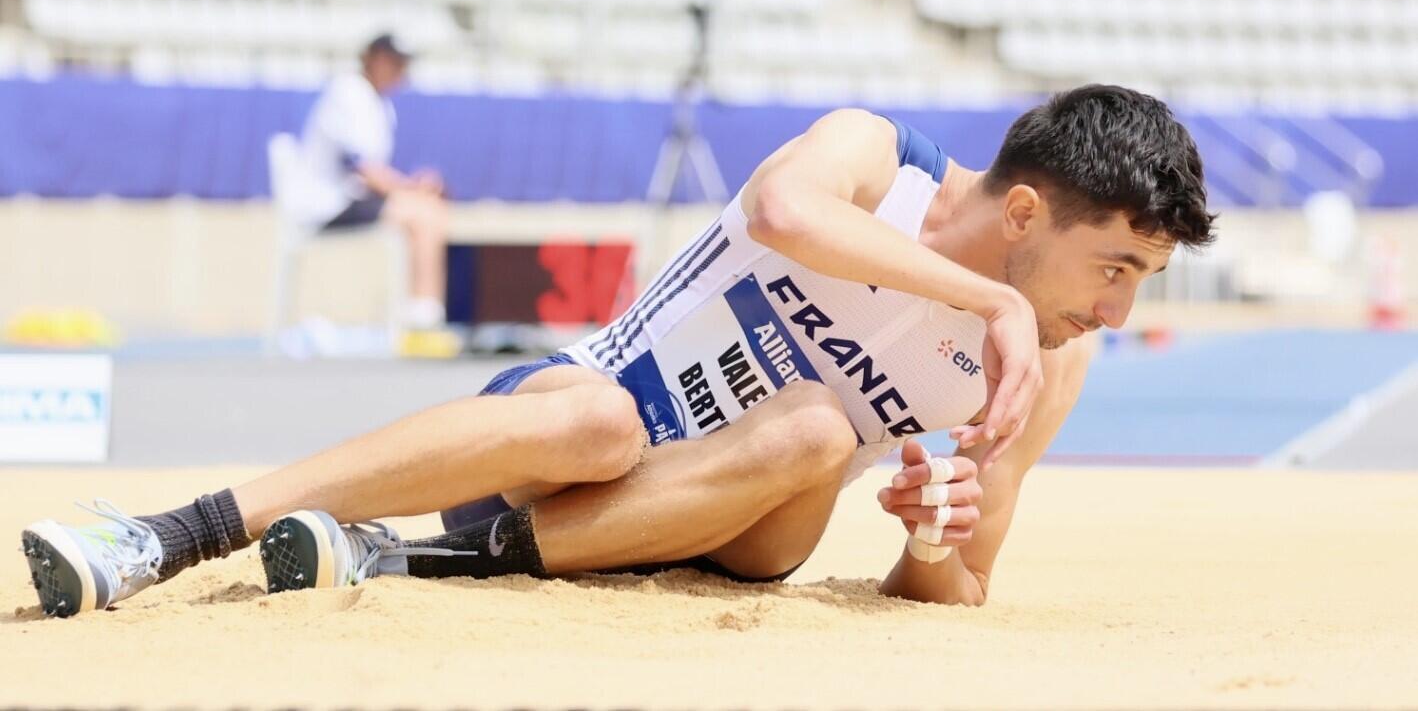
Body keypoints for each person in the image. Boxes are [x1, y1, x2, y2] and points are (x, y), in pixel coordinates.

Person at [21, 85, 1215, 616]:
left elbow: (957, 589)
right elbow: (781, 215)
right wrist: (991, 302)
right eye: (1112, 268)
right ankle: (167, 536)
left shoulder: (1050, 359)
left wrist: (927, 534)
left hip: (739, 522)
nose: (1113, 313)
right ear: (1021, 216)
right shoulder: (875, 157)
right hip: (559, 438)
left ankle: (417, 562)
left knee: (810, 431)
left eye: (1141, 283)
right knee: (601, 422)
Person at [287, 33, 449, 332]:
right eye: (395, 62)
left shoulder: (377, 102)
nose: (402, 71)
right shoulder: (349, 92)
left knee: (426, 209)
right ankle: (424, 322)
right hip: (327, 203)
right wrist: (412, 189)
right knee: (424, 214)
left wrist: (411, 188)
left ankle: (423, 315)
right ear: (375, 59)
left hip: (346, 198)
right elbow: (364, 170)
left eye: (404, 63)